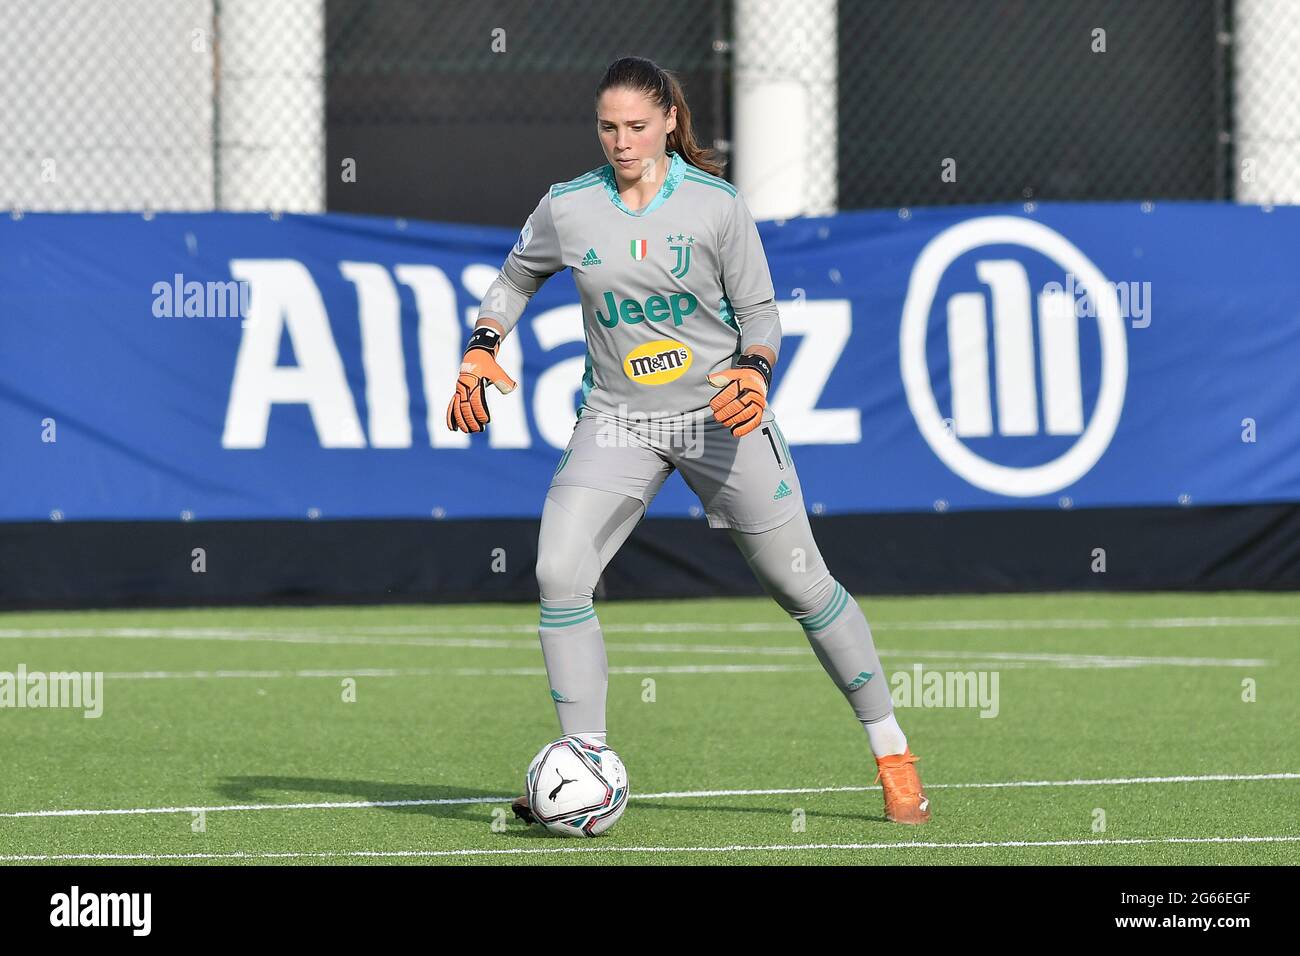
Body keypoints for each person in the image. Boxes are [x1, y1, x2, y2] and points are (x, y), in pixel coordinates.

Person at [446, 56, 930, 825]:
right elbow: (514, 279)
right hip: (619, 420)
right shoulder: (569, 207)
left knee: (803, 587)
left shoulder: (716, 205)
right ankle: (585, 764)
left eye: (637, 126)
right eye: (608, 127)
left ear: (670, 120)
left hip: (718, 416)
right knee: (558, 571)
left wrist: (755, 369)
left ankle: (892, 752)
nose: (621, 142)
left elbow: (761, 314)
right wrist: (482, 345)